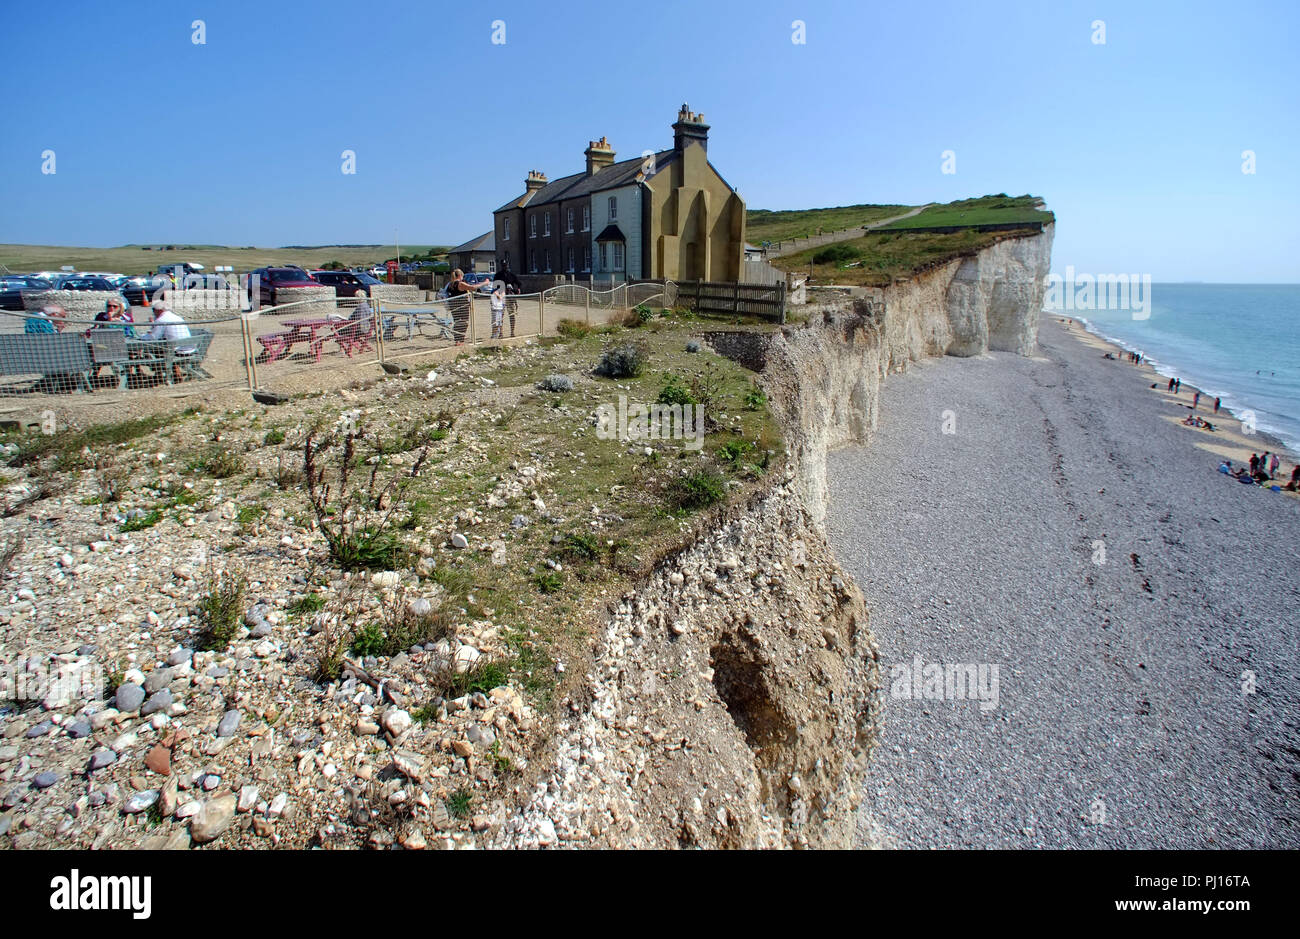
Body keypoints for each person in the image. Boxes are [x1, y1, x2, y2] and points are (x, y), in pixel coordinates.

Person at [142, 300, 195, 383]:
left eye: (153, 310)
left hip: (176, 351)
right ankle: (171, 373)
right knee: (164, 349)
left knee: (151, 351)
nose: (153, 312)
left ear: (159, 310)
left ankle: (159, 374)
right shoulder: (177, 317)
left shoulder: (161, 320)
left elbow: (153, 337)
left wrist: (142, 337)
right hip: (189, 348)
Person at [443, 268, 477, 344]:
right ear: (460, 275)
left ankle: (458, 340)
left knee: (458, 322)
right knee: (463, 323)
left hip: (454, 306)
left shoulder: (449, 284)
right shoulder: (459, 284)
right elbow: (473, 287)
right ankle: (459, 341)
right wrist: (485, 282)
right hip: (461, 306)